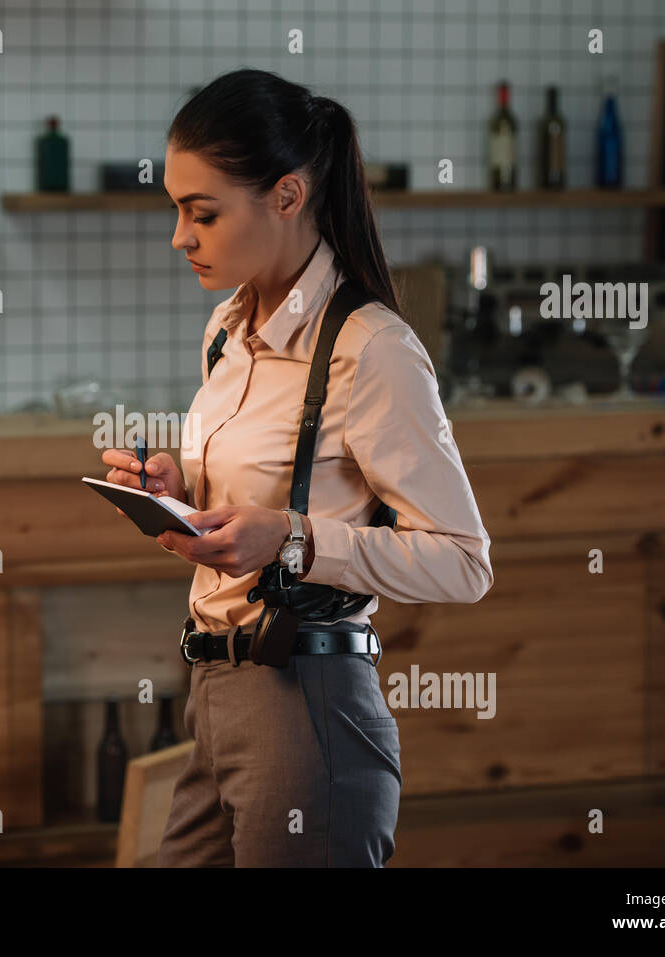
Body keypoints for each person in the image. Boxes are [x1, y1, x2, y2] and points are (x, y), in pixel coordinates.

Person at [101, 69, 493, 867]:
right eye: (177, 209)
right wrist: (181, 497)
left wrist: (294, 540)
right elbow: (258, 500)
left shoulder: (372, 348)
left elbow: (464, 561)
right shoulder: (225, 328)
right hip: (213, 693)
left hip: (306, 707)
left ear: (286, 196)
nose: (181, 236)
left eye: (201, 212)